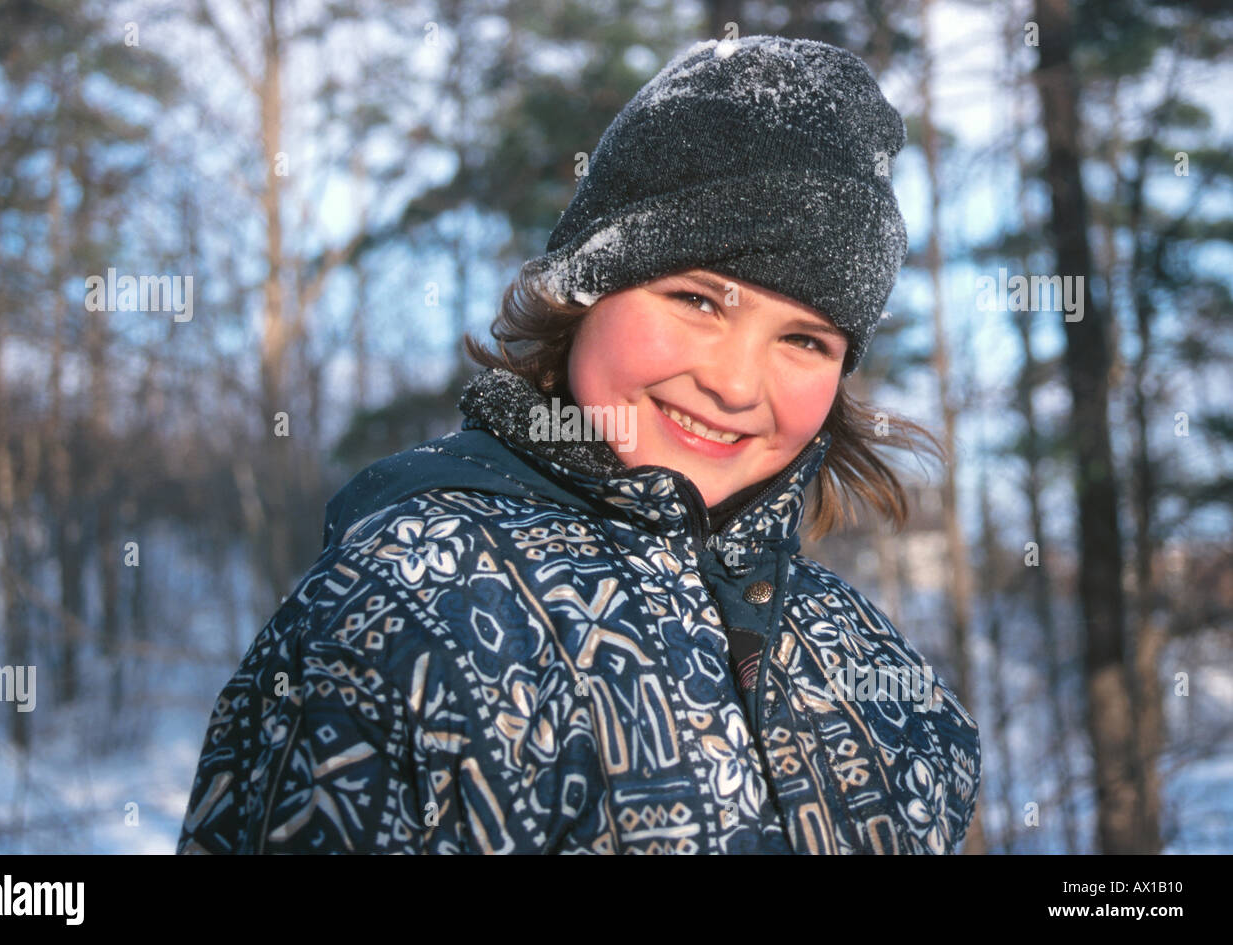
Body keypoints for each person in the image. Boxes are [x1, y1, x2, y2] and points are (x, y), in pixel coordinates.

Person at [177, 34, 981, 855]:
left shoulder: (869, 664)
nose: (738, 385)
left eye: (806, 340)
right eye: (699, 300)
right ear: (586, 287)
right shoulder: (406, 604)